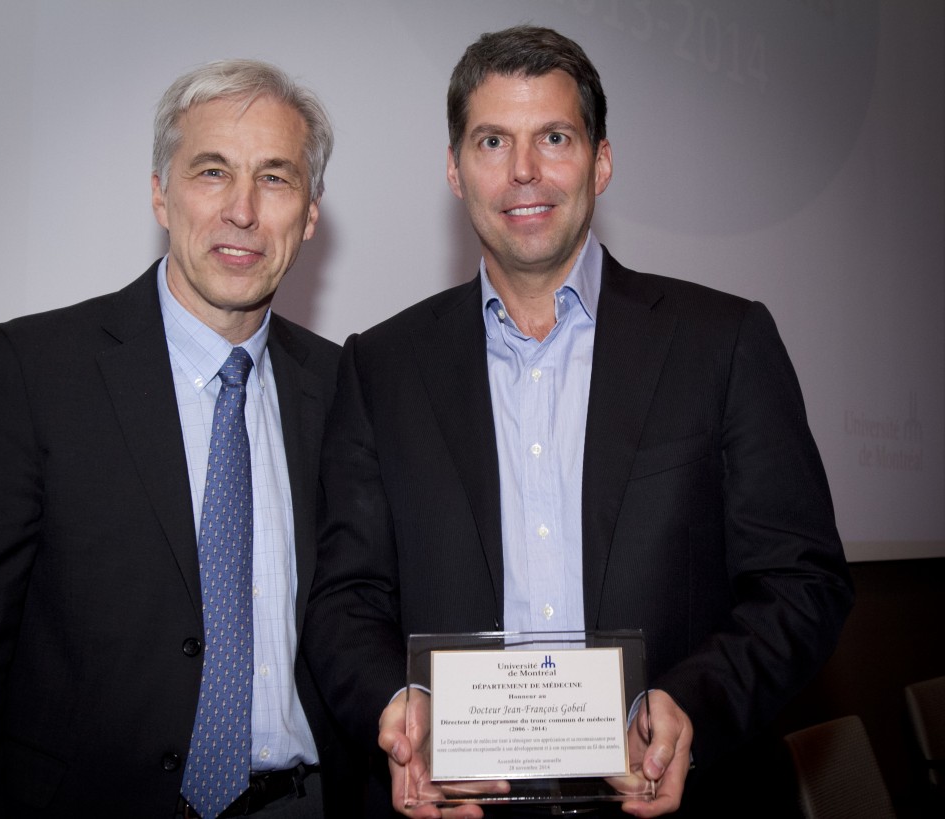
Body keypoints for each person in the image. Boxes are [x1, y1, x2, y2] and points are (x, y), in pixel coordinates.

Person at [303, 25, 853, 818]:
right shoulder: (380, 366)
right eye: (493, 141)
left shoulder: (723, 342)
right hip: (464, 804)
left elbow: (803, 581)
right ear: (455, 170)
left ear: (600, 161)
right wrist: (396, 703)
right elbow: (344, 599)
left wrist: (694, 704)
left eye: (554, 137)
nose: (523, 169)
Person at [0, 59, 357, 818]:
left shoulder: (346, 387)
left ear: (310, 213)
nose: (243, 211)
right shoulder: (30, 372)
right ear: (160, 193)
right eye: (212, 172)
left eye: (275, 178)